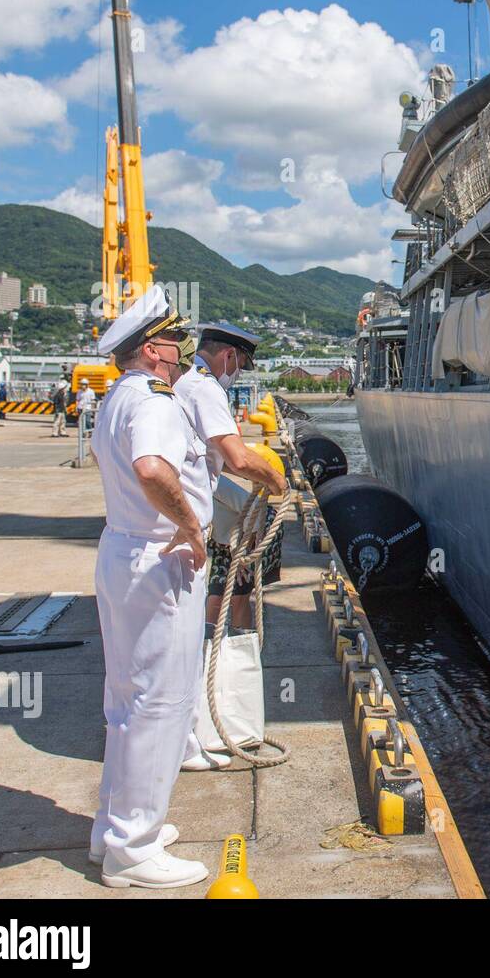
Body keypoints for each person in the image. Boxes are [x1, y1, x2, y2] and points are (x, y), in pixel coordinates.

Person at [89, 285, 212, 889]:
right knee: (160, 702)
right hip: (160, 559)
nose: (179, 347)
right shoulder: (158, 401)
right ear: (152, 349)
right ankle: (132, 850)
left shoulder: (117, 397)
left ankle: (113, 829)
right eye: (171, 338)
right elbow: (153, 469)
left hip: (121, 548)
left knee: (123, 700)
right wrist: (190, 525)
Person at [174, 322, 286, 771]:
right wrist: (276, 481)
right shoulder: (204, 389)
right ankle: (187, 738)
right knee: (187, 635)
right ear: (229, 358)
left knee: (184, 637)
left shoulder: (183, 384)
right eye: (239, 366)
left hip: (185, 519)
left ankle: (188, 733)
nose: (237, 375)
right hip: (185, 528)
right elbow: (236, 458)